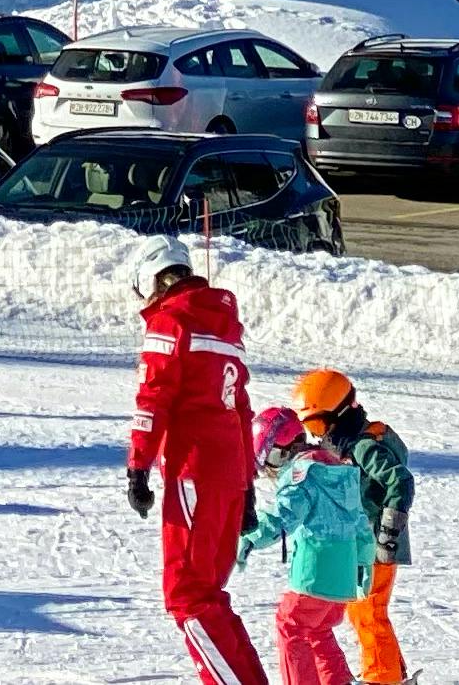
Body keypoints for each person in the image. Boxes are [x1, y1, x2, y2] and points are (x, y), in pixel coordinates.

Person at [125, 242, 272, 685]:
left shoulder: (171, 320)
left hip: (194, 470)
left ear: (152, 279)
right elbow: (240, 409)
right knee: (209, 593)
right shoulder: (225, 326)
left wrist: (139, 465)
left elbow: (153, 397)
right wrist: (245, 486)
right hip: (227, 471)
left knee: (187, 594)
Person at [241, 402, 374, 685]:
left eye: (270, 462)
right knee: (318, 630)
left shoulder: (302, 473)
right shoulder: (340, 469)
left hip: (316, 569)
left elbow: (284, 516)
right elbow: (362, 524)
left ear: (280, 450)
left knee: (290, 625)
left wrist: (248, 536)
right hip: (344, 573)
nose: (271, 471)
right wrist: (363, 565)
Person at [296, 370, 414, 682]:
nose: (317, 434)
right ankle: (392, 670)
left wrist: (389, 531)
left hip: (378, 544)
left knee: (368, 612)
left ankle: (382, 677)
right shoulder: (353, 442)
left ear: (339, 413)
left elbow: (400, 479)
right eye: (310, 427)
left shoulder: (364, 447)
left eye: (318, 425)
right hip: (364, 543)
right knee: (362, 610)